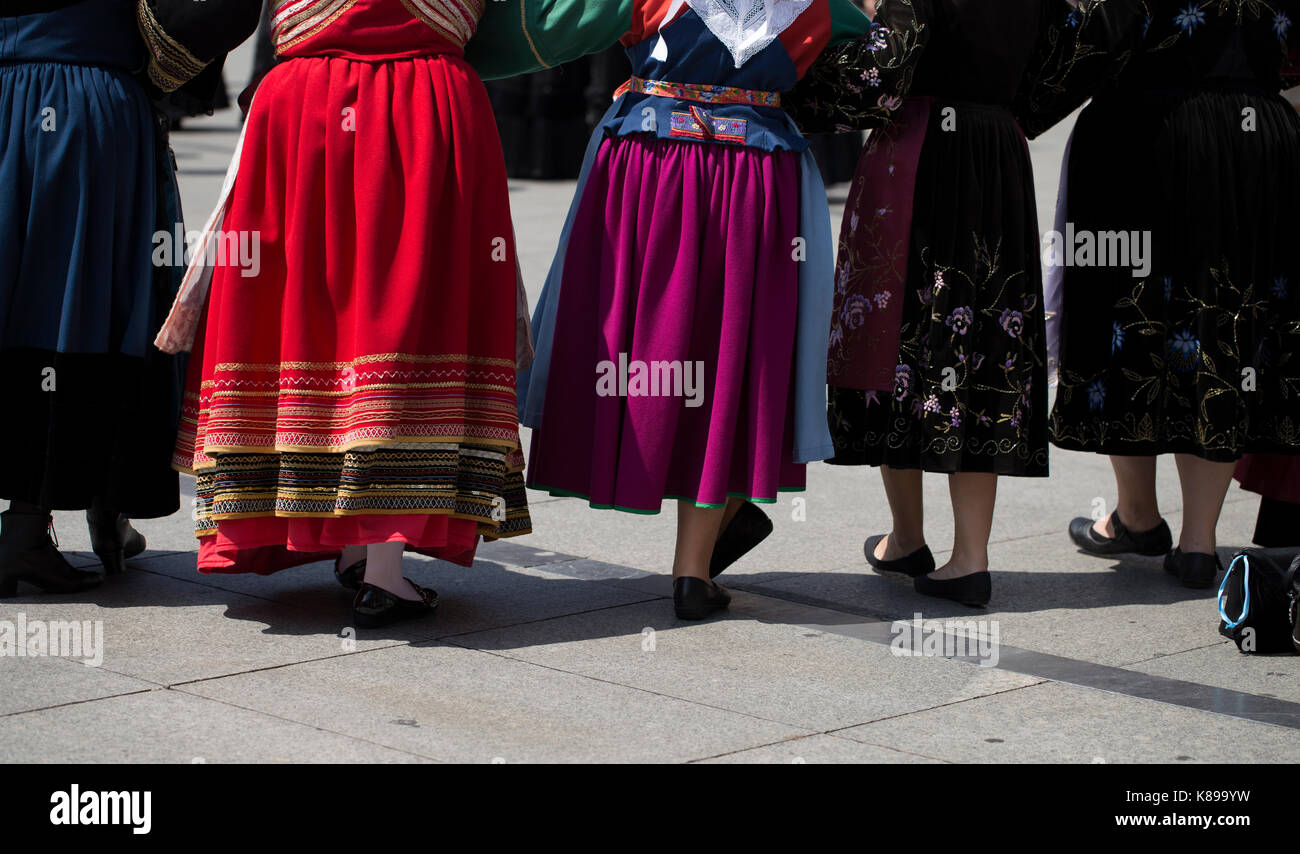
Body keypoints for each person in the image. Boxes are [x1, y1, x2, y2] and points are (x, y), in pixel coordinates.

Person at [468, 0, 878, 620]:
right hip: (758, 180)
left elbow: (540, 34)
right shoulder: (819, 7)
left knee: (647, 348)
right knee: (733, 359)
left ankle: (658, 489)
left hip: (650, 169)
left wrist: (438, 54)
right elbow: (891, 57)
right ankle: (693, 569)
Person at [155, 0, 534, 627]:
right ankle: (377, 565)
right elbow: (530, 25)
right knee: (404, 312)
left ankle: (351, 541)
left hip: (303, 105)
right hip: (427, 105)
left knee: (315, 317)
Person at [782, 0, 1140, 606]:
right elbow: (1081, 54)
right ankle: (970, 556)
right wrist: (1016, 109)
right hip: (997, 151)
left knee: (898, 344)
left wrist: (787, 91)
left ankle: (907, 537)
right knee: (984, 348)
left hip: (919, 153)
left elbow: (881, 76)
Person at [0, 0, 258, 597]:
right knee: (82, 306)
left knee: (31, 301)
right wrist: (158, 68)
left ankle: (52, 519)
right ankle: (48, 521)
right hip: (84, 99)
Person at [1055, 0, 1300, 589]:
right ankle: (1198, 543)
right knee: (1225, 323)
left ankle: (1137, 515)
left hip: (1145, 133)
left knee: (1129, 319)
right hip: (1258, 137)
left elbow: (1090, 37)